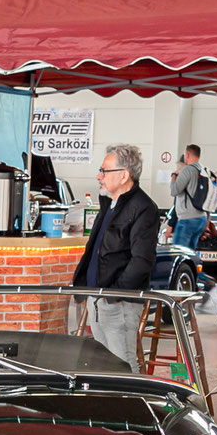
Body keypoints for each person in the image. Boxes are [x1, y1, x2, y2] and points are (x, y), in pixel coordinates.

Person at [72, 143, 160, 366]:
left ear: (123, 176)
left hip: (118, 302)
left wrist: (113, 294)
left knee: (124, 365)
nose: (99, 176)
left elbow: (142, 261)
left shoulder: (143, 208)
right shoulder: (109, 204)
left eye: (104, 170)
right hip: (98, 298)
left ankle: (134, 402)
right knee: (104, 366)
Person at [170, 145, 212, 250]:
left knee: (179, 253)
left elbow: (174, 191)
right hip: (201, 218)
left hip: (187, 219)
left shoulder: (187, 170)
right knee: (191, 253)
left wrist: (174, 176)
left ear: (187, 154)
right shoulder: (203, 170)